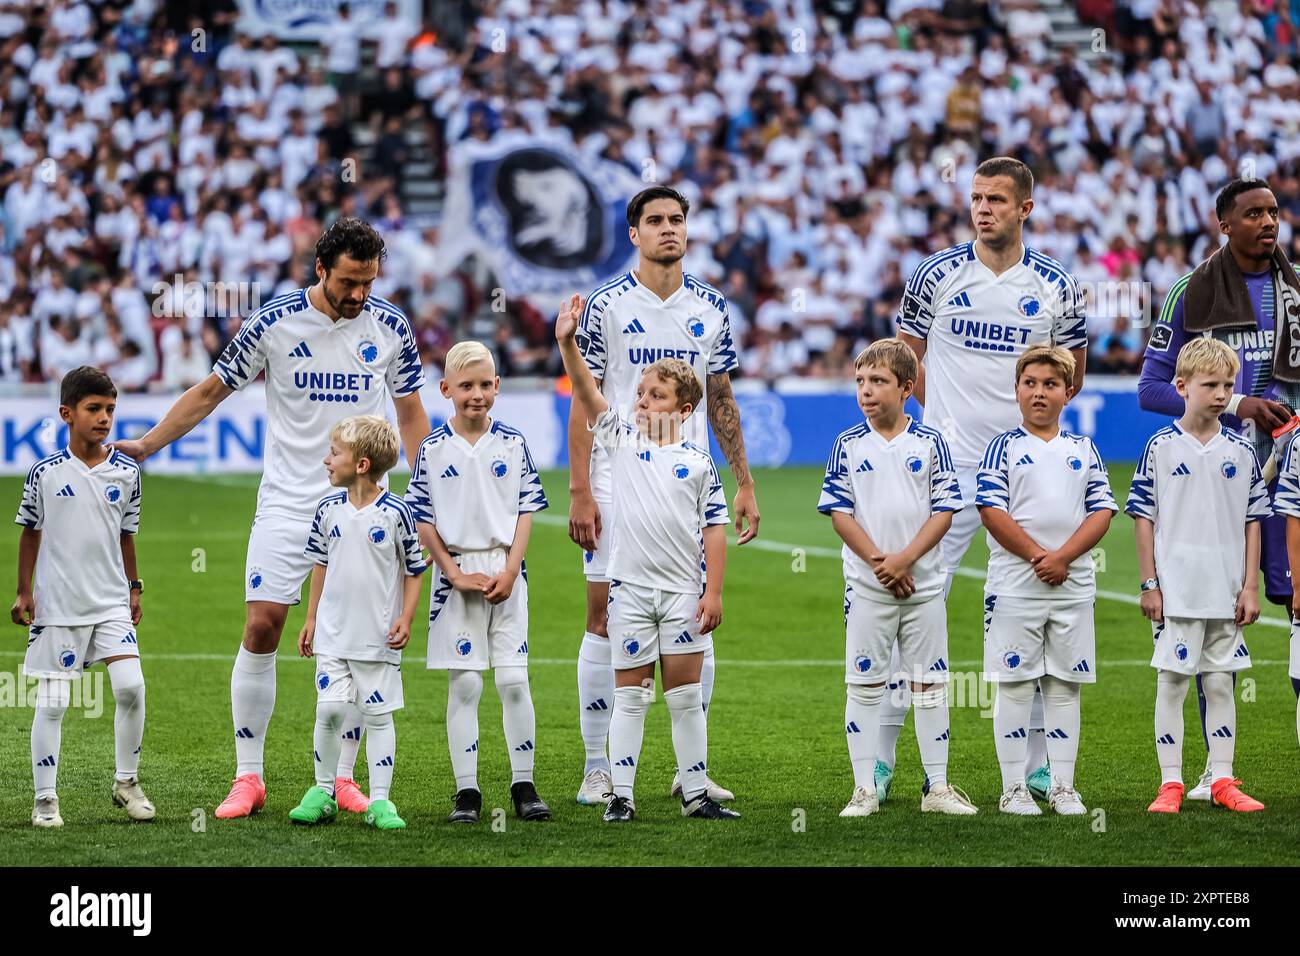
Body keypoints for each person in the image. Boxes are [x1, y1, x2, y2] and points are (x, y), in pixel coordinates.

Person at [111, 218, 430, 819]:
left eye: (368, 281)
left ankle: (342, 779)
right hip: (286, 501)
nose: (359, 294)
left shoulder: (390, 327)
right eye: (348, 282)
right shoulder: (275, 322)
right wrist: (150, 445)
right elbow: (212, 391)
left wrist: (431, 485)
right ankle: (249, 778)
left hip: (362, 508)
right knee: (262, 625)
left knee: (359, 643)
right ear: (320, 270)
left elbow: (411, 410)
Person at [894, 156, 1089, 806]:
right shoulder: (936, 274)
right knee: (912, 607)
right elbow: (902, 363)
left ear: (1025, 208)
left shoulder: (1055, 284)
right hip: (945, 470)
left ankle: (1039, 769)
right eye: (976, 198)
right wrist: (941, 418)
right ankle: (895, 766)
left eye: (997, 200)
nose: (983, 208)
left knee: (1035, 613)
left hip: (1027, 477)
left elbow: (1072, 372)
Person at [568, 185, 759, 807]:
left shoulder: (710, 307)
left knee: (695, 618)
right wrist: (579, 489)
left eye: (677, 220)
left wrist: (745, 481)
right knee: (602, 615)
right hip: (615, 474)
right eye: (655, 221)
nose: (668, 229)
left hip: (685, 480)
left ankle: (689, 772)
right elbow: (586, 397)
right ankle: (599, 767)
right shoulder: (607, 305)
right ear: (634, 234)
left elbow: (722, 397)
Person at [1137, 178, 1300, 800]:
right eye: (1253, 213)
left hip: (1291, 481)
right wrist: (1238, 403)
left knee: (1296, 618)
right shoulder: (1190, 291)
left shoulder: (1295, 292)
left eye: (1274, 211)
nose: (1268, 221)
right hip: (1224, 487)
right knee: (1211, 628)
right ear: (1223, 224)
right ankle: (1205, 775)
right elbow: (1153, 390)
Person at [557, 291, 738, 822]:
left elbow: (715, 529)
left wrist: (714, 591)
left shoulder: (699, 463)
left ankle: (697, 793)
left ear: (685, 410)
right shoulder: (621, 442)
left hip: (684, 593)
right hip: (630, 592)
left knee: (684, 696)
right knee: (631, 698)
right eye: (639, 393)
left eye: (654, 396)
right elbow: (588, 393)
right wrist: (567, 342)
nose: (641, 402)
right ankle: (621, 795)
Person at [818, 339, 977, 817]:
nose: (866, 391)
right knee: (864, 685)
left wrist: (905, 559)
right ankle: (863, 788)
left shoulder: (930, 444)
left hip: (923, 585)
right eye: (861, 382)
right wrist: (878, 562)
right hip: (868, 587)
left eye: (878, 382)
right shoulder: (847, 445)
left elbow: (945, 510)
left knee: (929, 686)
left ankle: (938, 788)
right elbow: (840, 514)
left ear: (907, 388)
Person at [403, 341, 552, 824]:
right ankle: (467, 792)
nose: (477, 394)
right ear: (445, 389)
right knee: (465, 683)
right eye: (466, 386)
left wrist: (511, 570)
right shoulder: (432, 447)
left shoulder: (513, 442)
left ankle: (524, 784)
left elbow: (528, 508)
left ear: (498, 387)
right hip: (456, 580)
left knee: (513, 679)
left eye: (486, 385)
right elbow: (421, 515)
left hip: (506, 574)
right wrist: (451, 571)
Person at [977, 345, 1116, 816]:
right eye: (1030, 383)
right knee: (1015, 685)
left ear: (1069, 393)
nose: (1039, 392)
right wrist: (1040, 556)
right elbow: (991, 511)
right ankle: (1013, 786)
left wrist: (1065, 558)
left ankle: (1063, 785)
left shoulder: (1083, 450)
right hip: (1016, 585)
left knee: (1064, 685)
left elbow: (1102, 510)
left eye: (1050, 385)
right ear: (1016, 391)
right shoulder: (1003, 447)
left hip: (1073, 585)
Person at [1130, 339, 1268, 814]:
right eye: (1210, 384)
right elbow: (1143, 517)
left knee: (1219, 685)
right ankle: (1170, 783)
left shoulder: (1243, 451)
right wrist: (1150, 583)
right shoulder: (1160, 447)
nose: (1220, 393)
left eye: (1228, 385)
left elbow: (1253, 521)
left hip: (1226, 591)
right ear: (1181, 386)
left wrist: (1250, 585)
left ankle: (1222, 778)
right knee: (1172, 682)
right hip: (1177, 591)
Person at [11, 366, 153, 827]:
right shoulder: (45, 473)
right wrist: (23, 591)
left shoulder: (128, 471)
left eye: (110, 409)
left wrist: (133, 588)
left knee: (132, 686)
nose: (104, 418)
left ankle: (126, 783)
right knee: (53, 702)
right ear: (66, 414)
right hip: (59, 604)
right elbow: (29, 532)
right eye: (94, 409)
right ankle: (46, 799)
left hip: (111, 600)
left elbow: (126, 536)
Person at [291, 416, 425, 830]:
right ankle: (323, 790)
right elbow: (320, 563)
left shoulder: (397, 512)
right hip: (332, 634)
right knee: (329, 709)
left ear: (362, 464)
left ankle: (381, 801)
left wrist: (405, 617)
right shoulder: (327, 510)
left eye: (335, 454)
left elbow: (415, 569)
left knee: (378, 715)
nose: (327, 461)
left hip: (377, 639)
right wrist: (311, 617)